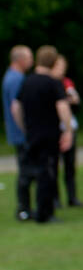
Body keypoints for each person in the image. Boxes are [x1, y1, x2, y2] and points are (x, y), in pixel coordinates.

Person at [12, 45, 74, 223]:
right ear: (54, 62)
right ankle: (44, 213)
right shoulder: (52, 82)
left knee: (34, 171)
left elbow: (15, 107)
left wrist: (24, 127)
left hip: (32, 134)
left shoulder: (27, 81)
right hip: (49, 134)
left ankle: (30, 207)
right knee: (47, 173)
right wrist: (68, 130)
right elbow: (62, 107)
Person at [3, 44, 33, 220]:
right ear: (20, 60)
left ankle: (25, 207)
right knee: (26, 171)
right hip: (21, 134)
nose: (32, 61)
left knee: (26, 170)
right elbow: (16, 108)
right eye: (29, 57)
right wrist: (26, 130)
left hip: (17, 132)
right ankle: (23, 208)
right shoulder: (16, 79)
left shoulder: (11, 76)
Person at [50, 53, 83, 207]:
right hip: (54, 128)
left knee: (70, 165)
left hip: (69, 126)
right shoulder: (49, 83)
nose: (62, 70)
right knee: (53, 165)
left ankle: (72, 197)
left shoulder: (67, 82)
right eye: (59, 66)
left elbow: (75, 102)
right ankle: (55, 198)